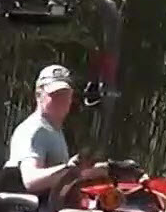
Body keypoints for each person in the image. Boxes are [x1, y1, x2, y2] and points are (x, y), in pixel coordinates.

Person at [7, 63, 106, 196]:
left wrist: (95, 171)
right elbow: (31, 181)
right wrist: (71, 169)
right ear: (38, 95)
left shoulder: (53, 129)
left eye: (66, 94)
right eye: (55, 95)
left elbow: (62, 176)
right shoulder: (34, 130)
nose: (62, 100)